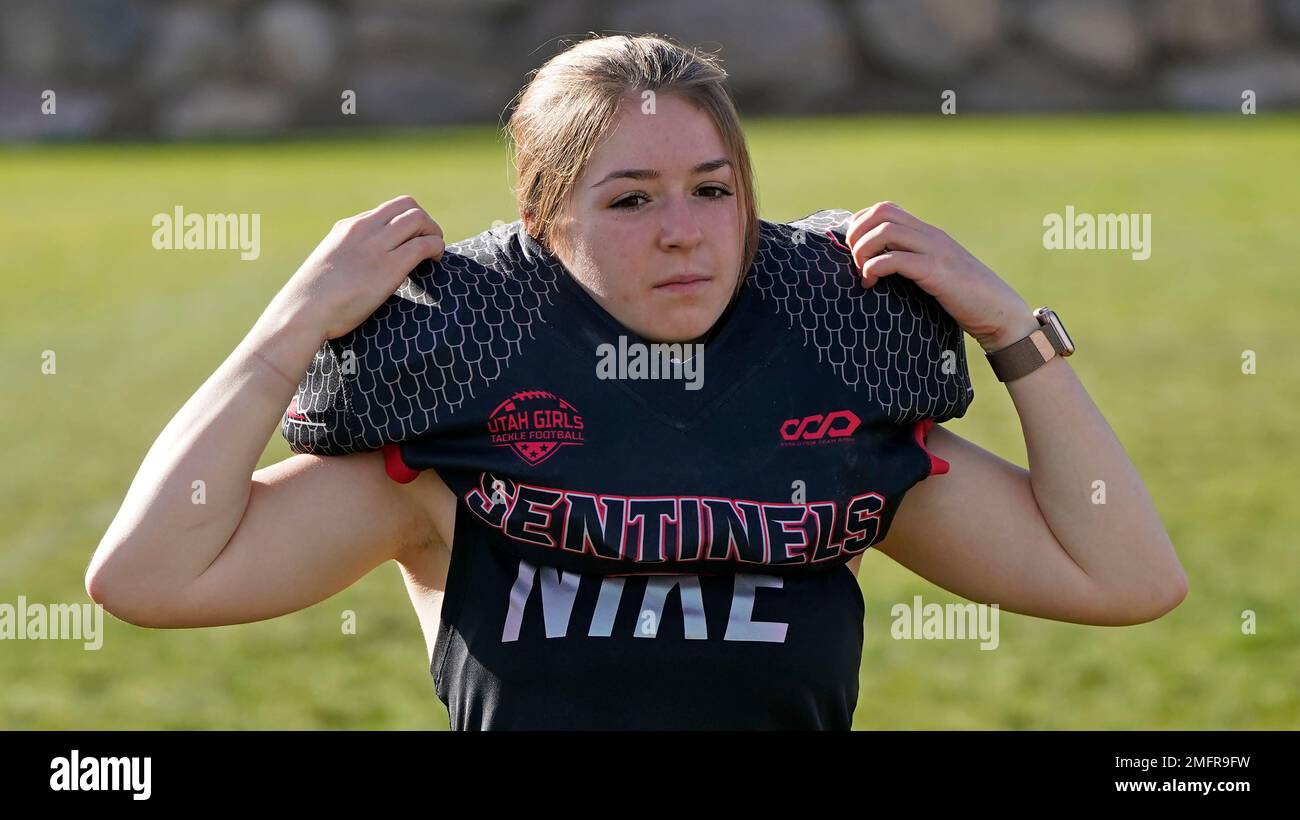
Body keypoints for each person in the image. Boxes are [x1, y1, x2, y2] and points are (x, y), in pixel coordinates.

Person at [86, 33, 1188, 730]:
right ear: (541, 220)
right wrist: (286, 332)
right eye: (628, 200)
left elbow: (1125, 578)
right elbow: (146, 578)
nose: (684, 235)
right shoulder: (449, 439)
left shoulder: (829, 404)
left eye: (712, 190)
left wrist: (1010, 331)